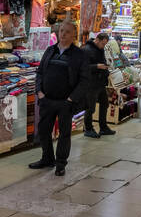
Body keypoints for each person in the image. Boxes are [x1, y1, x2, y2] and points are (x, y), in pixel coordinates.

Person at [30, 20, 88, 176]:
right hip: (47, 99)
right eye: (61, 31)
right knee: (43, 130)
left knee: (64, 134)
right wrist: (39, 92)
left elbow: (84, 80)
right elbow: (40, 72)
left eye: (67, 31)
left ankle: (60, 163)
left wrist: (71, 99)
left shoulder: (78, 55)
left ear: (73, 35)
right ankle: (47, 158)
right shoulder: (50, 50)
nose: (63, 34)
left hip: (65, 102)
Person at [81, 31, 115, 139]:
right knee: (90, 107)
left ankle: (103, 127)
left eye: (105, 44)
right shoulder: (86, 50)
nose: (104, 46)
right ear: (97, 40)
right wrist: (97, 66)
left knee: (104, 104)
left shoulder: (100, 49)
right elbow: (82, 67)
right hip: (91, 83)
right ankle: (88, 129)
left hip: (100, 82)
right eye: (103, 43)